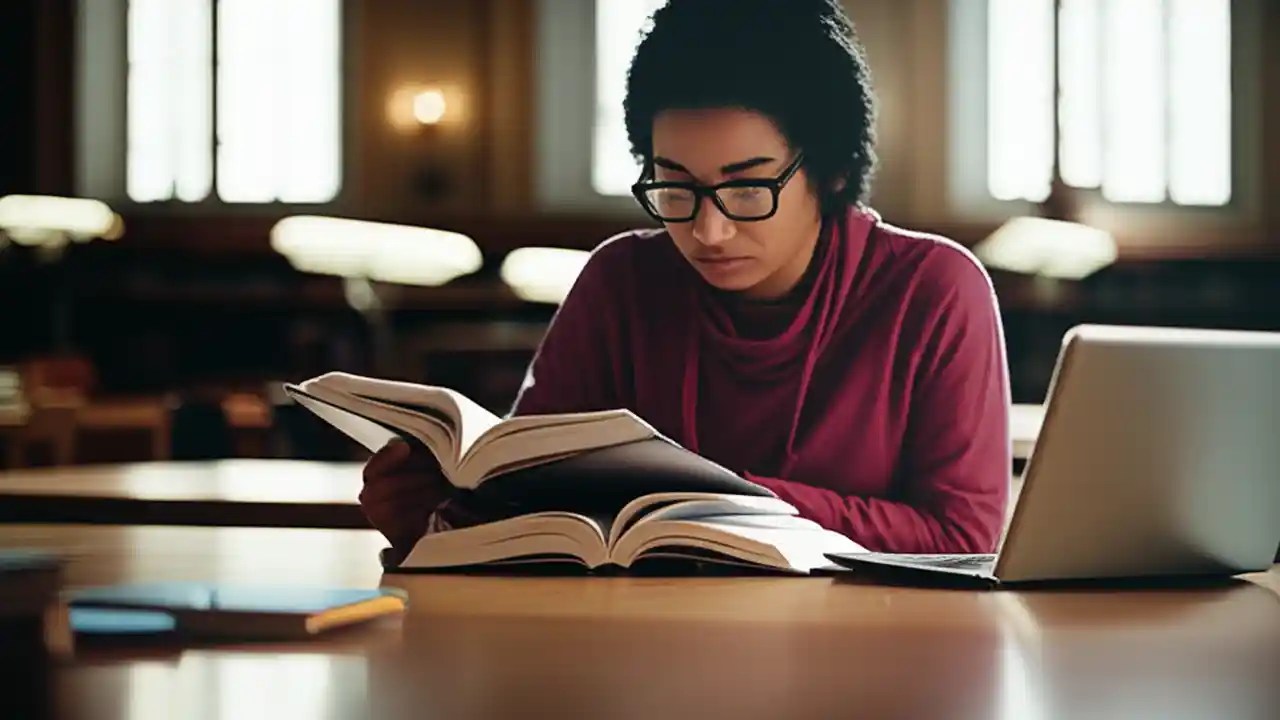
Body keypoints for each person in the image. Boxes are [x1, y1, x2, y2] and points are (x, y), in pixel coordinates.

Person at [361, 0, 1011, 562]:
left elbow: (964, 535)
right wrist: (430, 518)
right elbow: (532, 499)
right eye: (675, 186)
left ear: (833, 170)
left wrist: (725, 502)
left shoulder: (933, 290)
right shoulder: (622, 281)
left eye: (748, 187)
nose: (709, 231)